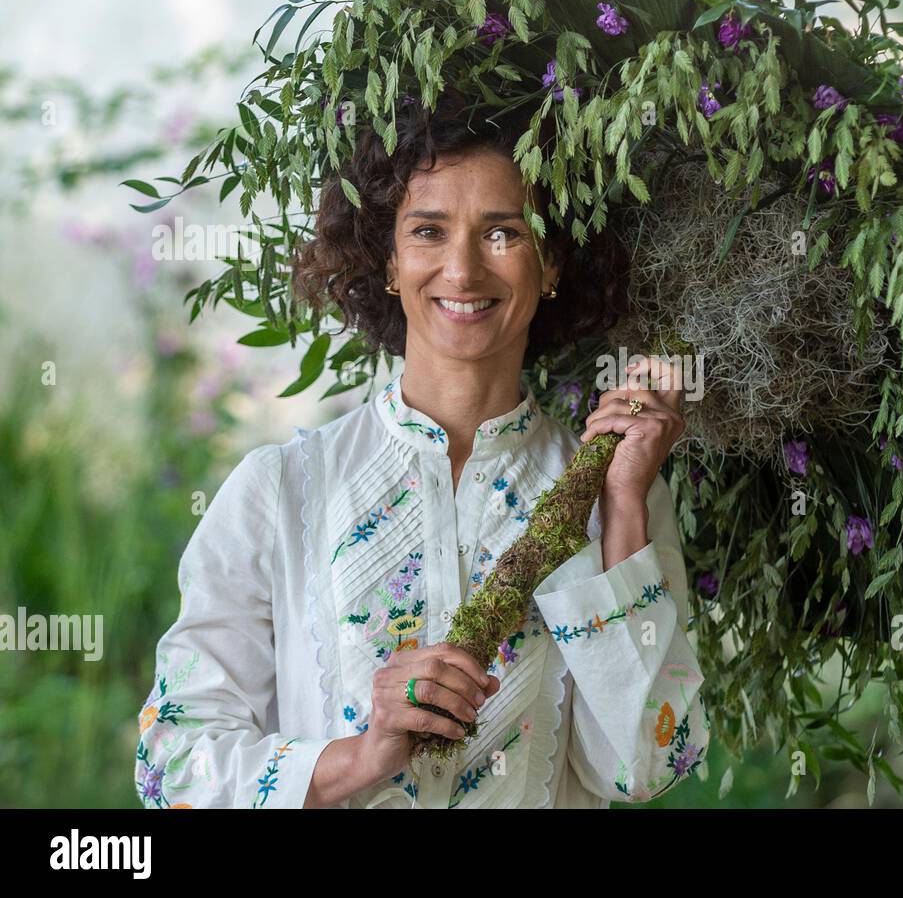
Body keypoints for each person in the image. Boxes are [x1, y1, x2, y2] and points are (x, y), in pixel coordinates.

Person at [134, 96, 710, 808]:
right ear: (388, 260)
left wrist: (621, 508)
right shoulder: (281, 489)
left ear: (551, 261)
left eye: (503, 233)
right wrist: (355, 758)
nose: (463, 270)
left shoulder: (621, 490)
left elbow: (650, 766)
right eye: (429, 231)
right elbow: (172, 763)